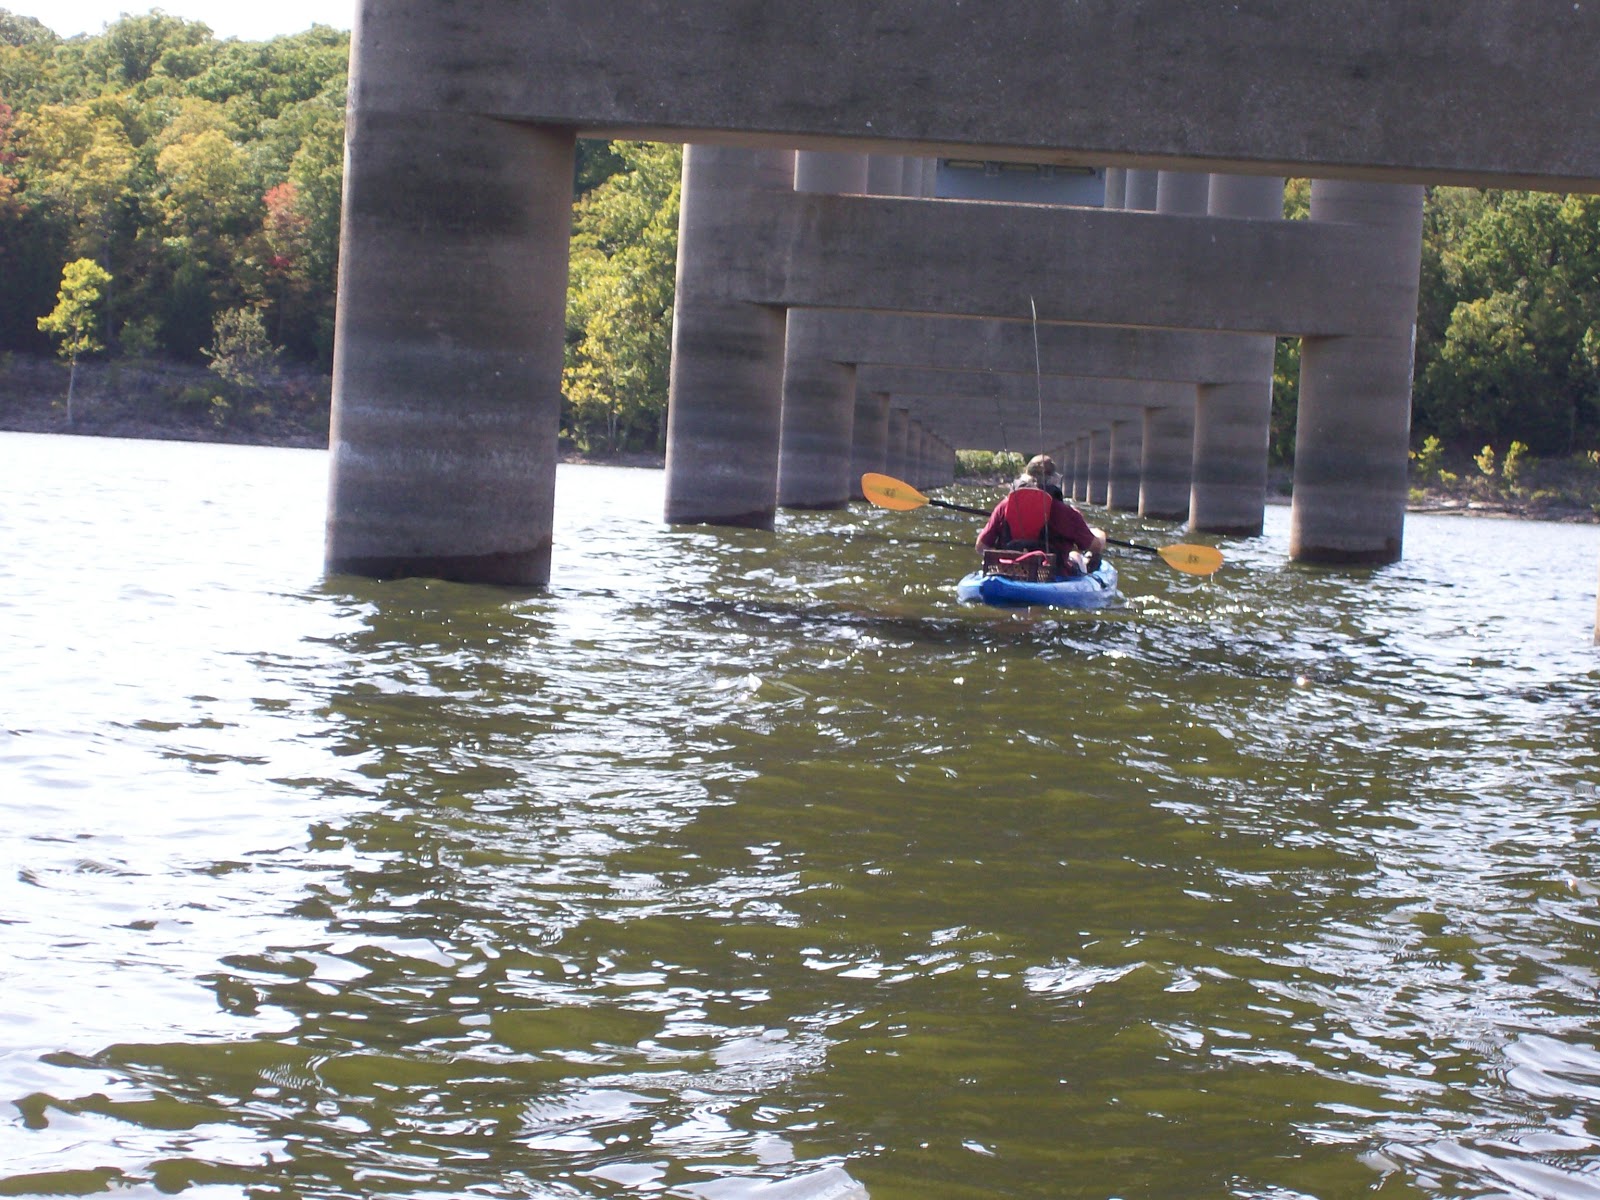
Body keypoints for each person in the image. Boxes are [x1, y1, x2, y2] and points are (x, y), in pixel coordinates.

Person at [975, 474, 1107, 575]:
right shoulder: (1067, 512)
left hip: (1009, 570)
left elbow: (981, 546)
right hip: (1055, 574)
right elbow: (1094, 546)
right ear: (1054, 481)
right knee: (1077, 555)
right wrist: (1101, 538)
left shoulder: (1004, 506)